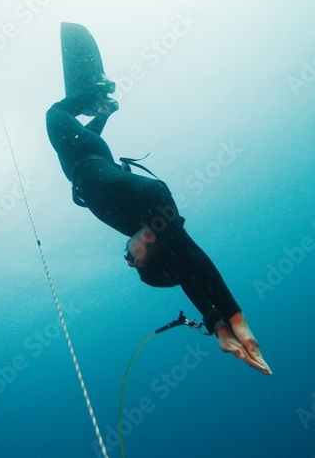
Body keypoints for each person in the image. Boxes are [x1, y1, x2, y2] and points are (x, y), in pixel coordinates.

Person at [46, 77, 272, 375]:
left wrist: (216, 323)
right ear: (147, 251)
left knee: (69, 148)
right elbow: (165, 209)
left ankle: (103, 110)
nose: (127, 260)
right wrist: (235, 316)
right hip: (91, 161)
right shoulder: (151, 219)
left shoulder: (137, 224)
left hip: (85, 156)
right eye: (134, 261)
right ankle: (101, 90)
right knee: (54, 114)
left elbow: (185, 272)